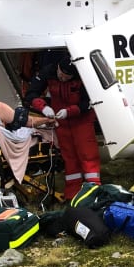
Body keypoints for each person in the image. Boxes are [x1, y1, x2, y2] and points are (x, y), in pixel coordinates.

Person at [30, 57, 101, 199]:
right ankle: (72, 194)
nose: (62, 78)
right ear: (58, 67)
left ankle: (93, 192)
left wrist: (70, 111)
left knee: (88, 156)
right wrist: (43, 107)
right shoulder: (48, 72)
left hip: (81, 121)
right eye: (61, 75)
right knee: (69, 158)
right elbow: (31, 93)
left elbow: (89, 101)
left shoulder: (84, 76)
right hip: (61, 123)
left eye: (66, 77)